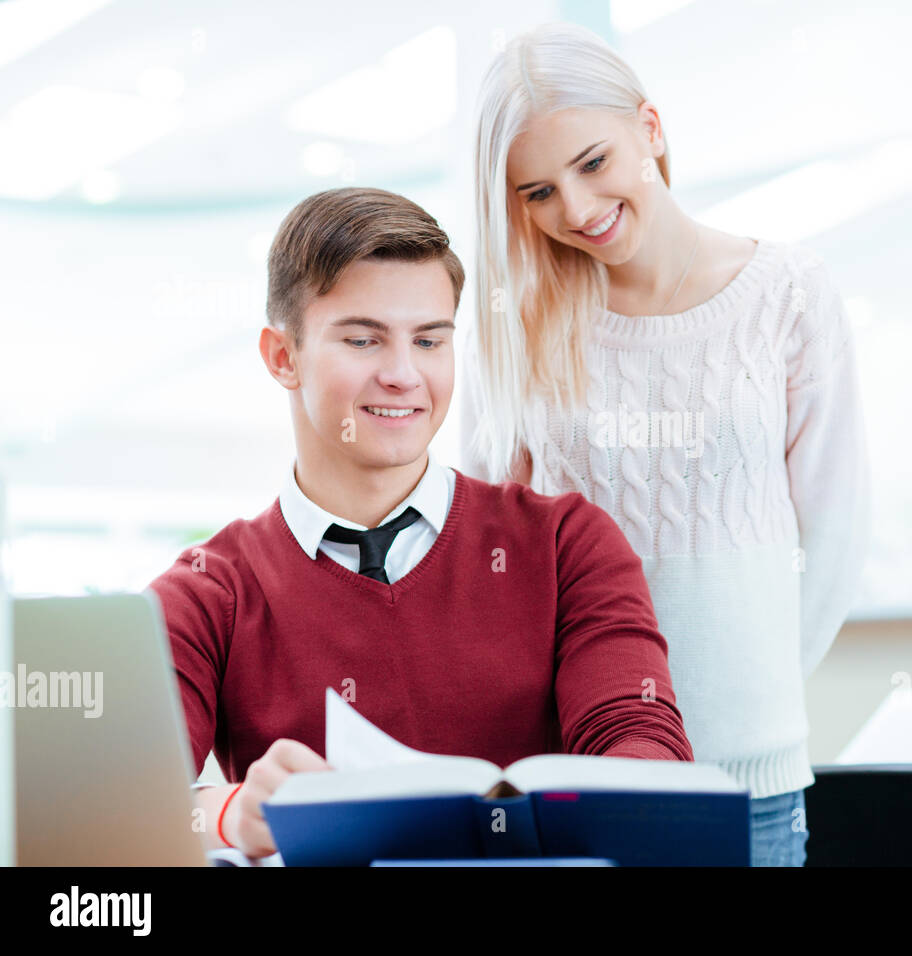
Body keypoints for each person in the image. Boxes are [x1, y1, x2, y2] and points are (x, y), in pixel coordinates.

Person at [146, 186, 693, 861]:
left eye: (429, 340)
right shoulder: (209, 589)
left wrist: (615, 799)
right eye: (363, 339)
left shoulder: (564, 544)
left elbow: (641, 739)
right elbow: (115, 802)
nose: (404, 375)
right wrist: (232, 812)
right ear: (282, 356)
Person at [460, 23, 871, 866]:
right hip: (580, 779)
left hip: (747, 780)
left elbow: (834, 531)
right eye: (535, 192)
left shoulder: (788, 293)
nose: (574, 210)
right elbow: (487, 560)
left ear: (649, 128)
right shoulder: (518, 328)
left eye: (593, 163)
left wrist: (749, 704)